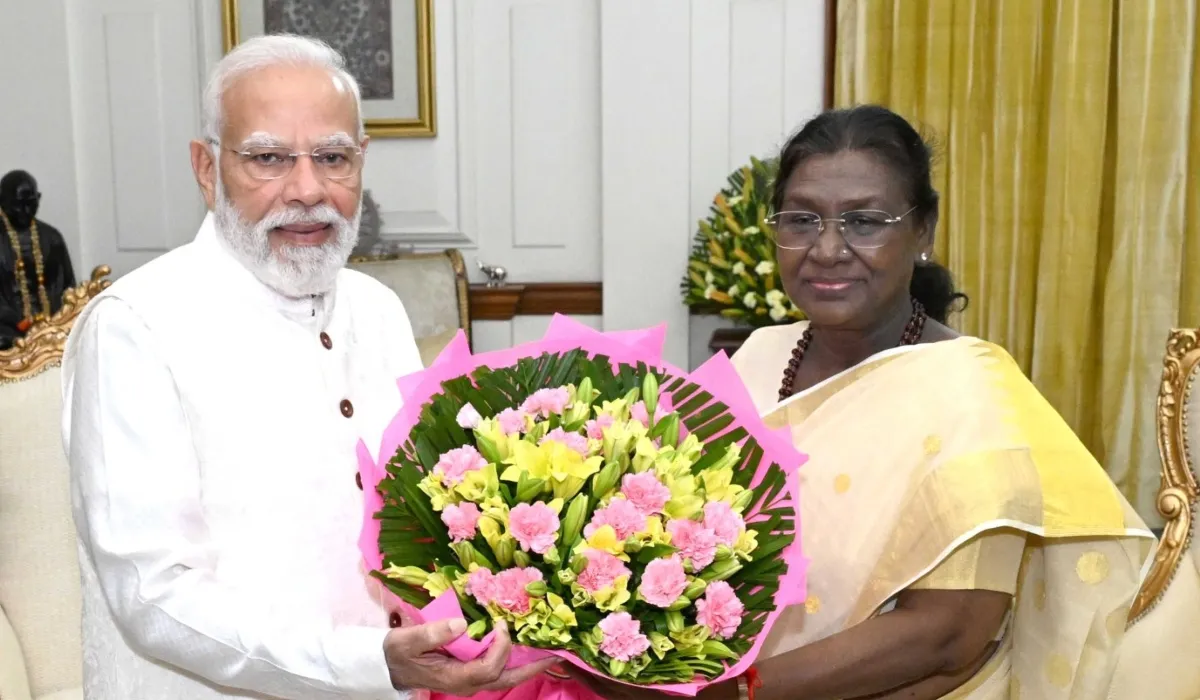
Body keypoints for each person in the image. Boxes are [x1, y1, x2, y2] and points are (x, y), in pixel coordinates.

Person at [567, 106, 1157, 699]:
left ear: (923, 231)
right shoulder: (759, 357)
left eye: (865, 221)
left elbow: (948, 635)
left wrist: (736, 693)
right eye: (802, 219)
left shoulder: (971, 391)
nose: (826, 249)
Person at [61, 35, 554, 699]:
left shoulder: (378, 310)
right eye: (268, 158)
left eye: (332, 157)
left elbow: (424, 519)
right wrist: (366, 662)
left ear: (361, 161)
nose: (307, 190)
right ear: (207, 169)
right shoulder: (135, 326)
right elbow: (154, 595)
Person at [0, 169, 76, 349]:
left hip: (51, 322)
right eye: (18, 205)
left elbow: (68, 287)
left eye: (31, 203)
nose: (25, 211)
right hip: (9, 326)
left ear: (38, 198)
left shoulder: (51, 238)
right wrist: (16, 320)